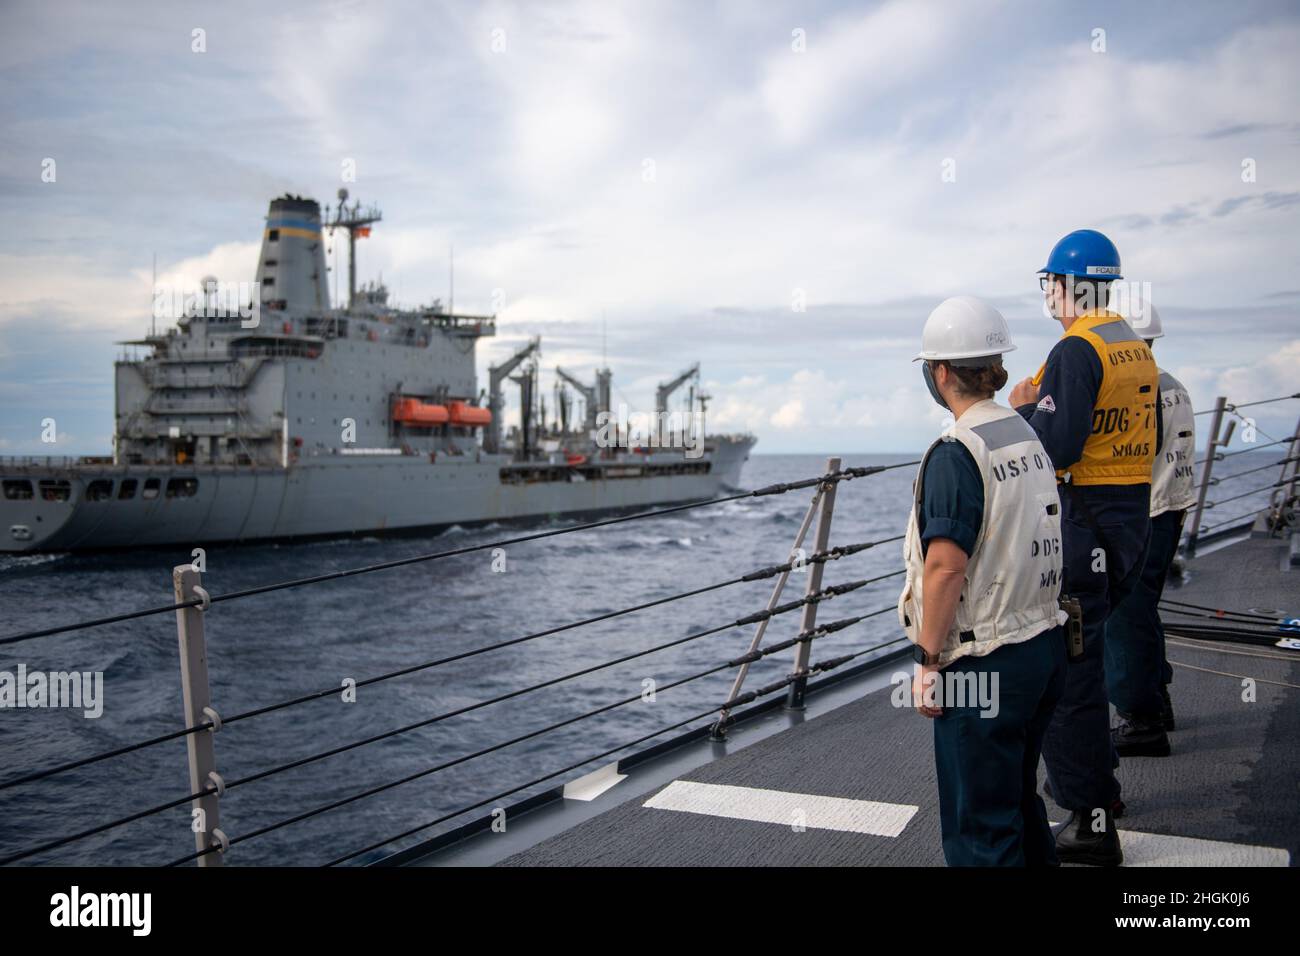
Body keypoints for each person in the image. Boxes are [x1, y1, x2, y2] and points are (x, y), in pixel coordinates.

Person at [1008, 229, 1161, 867]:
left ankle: (1091, 821)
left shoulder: (1075, 350)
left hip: (1084, 525)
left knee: (1070, 674)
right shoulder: (1133, 346)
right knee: (1088, 661)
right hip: (1129, 523)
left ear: (1067, 285)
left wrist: (1021, 410)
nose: (1047, 294)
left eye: (1050, 282)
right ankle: (1100, 796)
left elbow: (1059, 446)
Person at [899, 295, 1068, 867]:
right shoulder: (1025, 437)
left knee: (979, 835)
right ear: (994, 366)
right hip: (1042, 645)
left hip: (982, 663)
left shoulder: (956, 451)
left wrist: (926, 661)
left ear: (941, 373)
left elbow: (946, 565)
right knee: (1019, 807)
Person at [1104, 301, 1195, 752]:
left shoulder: (1137, 388)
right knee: (1144, 609)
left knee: (1125, 615)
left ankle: (1141, 722)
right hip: (1172, 508)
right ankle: (1157, 700)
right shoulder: (1171, 385)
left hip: (1143, 512)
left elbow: (1130, 455)